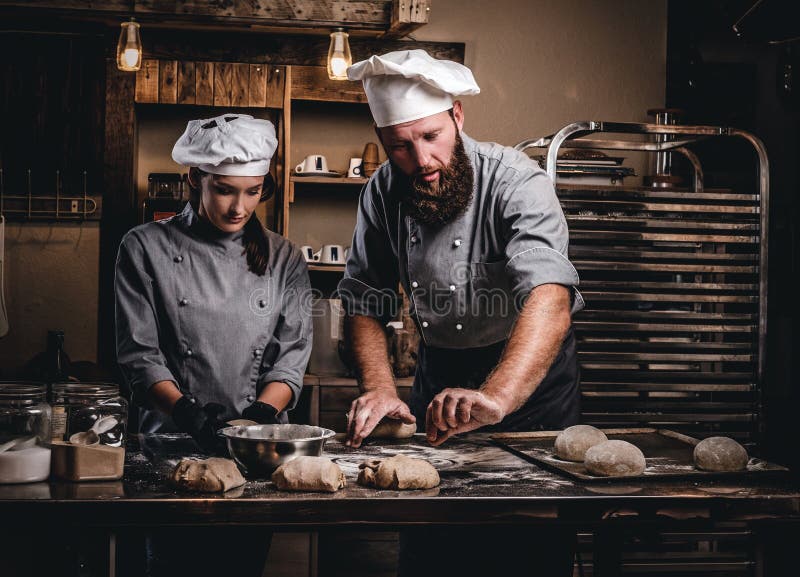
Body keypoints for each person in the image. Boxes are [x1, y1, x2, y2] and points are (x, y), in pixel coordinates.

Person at [339, 49, 583, 576]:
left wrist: (498, 397)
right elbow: (364, 296)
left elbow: (550, 297)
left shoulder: (517, 181)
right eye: (399, 147)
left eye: (431, 137)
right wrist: (380, 386)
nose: (421, 161)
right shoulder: (383, 193)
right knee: (435, 543)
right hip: (441, 377)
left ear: (457, 117)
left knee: (527, 547)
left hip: (529, 385)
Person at [115, 113, 312, 577]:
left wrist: (260, 420)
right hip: (170, 442)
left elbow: (291, 358)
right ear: (193, 179)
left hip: (257, 453)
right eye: (224, 189)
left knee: (242, 565)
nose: (239, 207)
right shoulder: (143, 247)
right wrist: (187, 413)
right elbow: (139, 355)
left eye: (252, 190)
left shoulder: (284, 257)